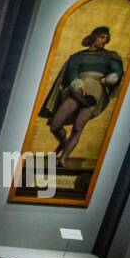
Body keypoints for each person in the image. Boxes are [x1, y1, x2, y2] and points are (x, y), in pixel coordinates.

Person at [39, 26, 123, 167]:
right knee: (55, 125)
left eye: (106, 38)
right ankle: (63, 144)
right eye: (102, 36)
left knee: (78, 127)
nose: (104, 40)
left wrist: (109, 78)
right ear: (94, 36)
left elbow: (117, 72)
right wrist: (77, 85)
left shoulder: (110, 56)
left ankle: (63, 158)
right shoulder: (77, 57)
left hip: (96, 89)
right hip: (77, 88)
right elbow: (71, 73)